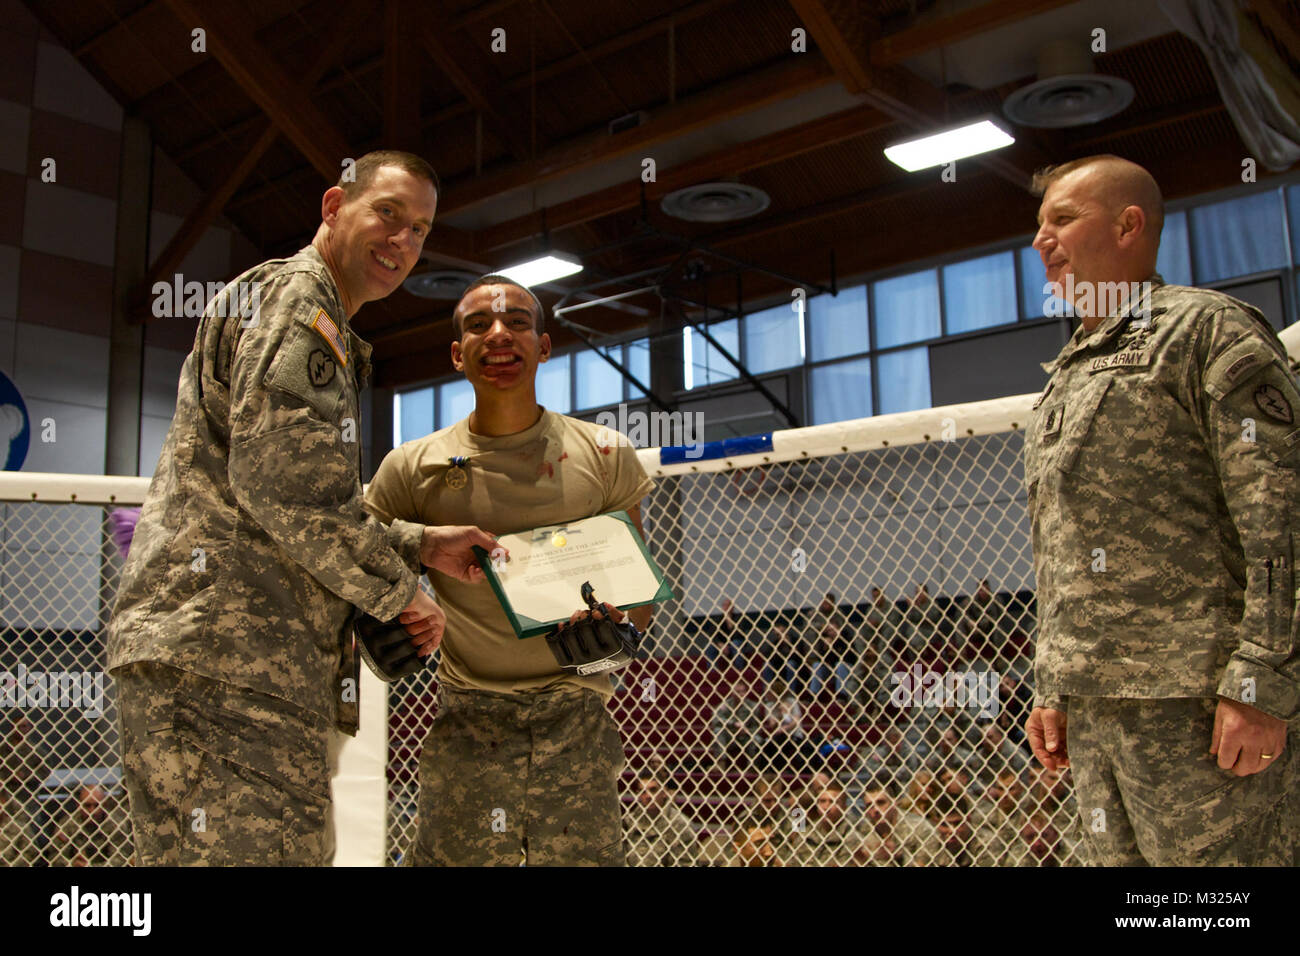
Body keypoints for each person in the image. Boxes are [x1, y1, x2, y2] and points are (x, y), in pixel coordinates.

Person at [106, 151, 497, 866]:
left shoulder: (293, 303)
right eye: (387, 213)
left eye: (419, 229)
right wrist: (399, 589)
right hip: (226, 669)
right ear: (333, 207)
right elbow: (284, 485)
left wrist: (417, 543)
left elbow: (284, 490)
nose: (403, 241)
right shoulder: (301, 303)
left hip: (224, 668)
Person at [1023, 154, 1299, 866]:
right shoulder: (1069, 373)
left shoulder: (1203, 331)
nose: (1040, 241)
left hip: (1200, 701)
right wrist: (1054, 683)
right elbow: (1059, 545)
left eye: (1062, 219)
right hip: (1095, 708)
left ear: (1128, 225)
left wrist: (1263, 681)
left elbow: (1281, 511)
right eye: (1038, 224)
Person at [364, 274, 655, 866]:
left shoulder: (605, 452)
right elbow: (351, 559)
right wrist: (372, 634)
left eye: (518, 322)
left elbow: (638, 606)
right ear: (457, 353)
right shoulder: (410, 467)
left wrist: (607, 646)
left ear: (544, 346)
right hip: (470, 721)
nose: (499, 335)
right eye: (479, 325)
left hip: (577, 719)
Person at [855, 779, 949, 866]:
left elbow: (924, 863)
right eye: (870, 805)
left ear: (894, 803)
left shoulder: (920, 827)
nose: (875, 809)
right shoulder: (861, 830)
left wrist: (899, 856)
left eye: (881, 803)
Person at [624, 772, 699, 867]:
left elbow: (686, 863)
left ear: (664, 792)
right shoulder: (628, 822)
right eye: (643, 792)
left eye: (653, 790)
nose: (648, 796)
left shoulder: (680, 824)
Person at [709, 677, 764, 767]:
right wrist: (733, 724)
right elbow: (716, 719)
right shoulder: (725, 704)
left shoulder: (753, 706)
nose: (740, 694)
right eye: (737, 692)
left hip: (746, 736)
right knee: (717, 731)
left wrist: (747, 731)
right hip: (730, 736)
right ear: (732, 692)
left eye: (742, 691)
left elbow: (758, 727)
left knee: (757, 739)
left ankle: (753, 766)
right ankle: (721, 763)